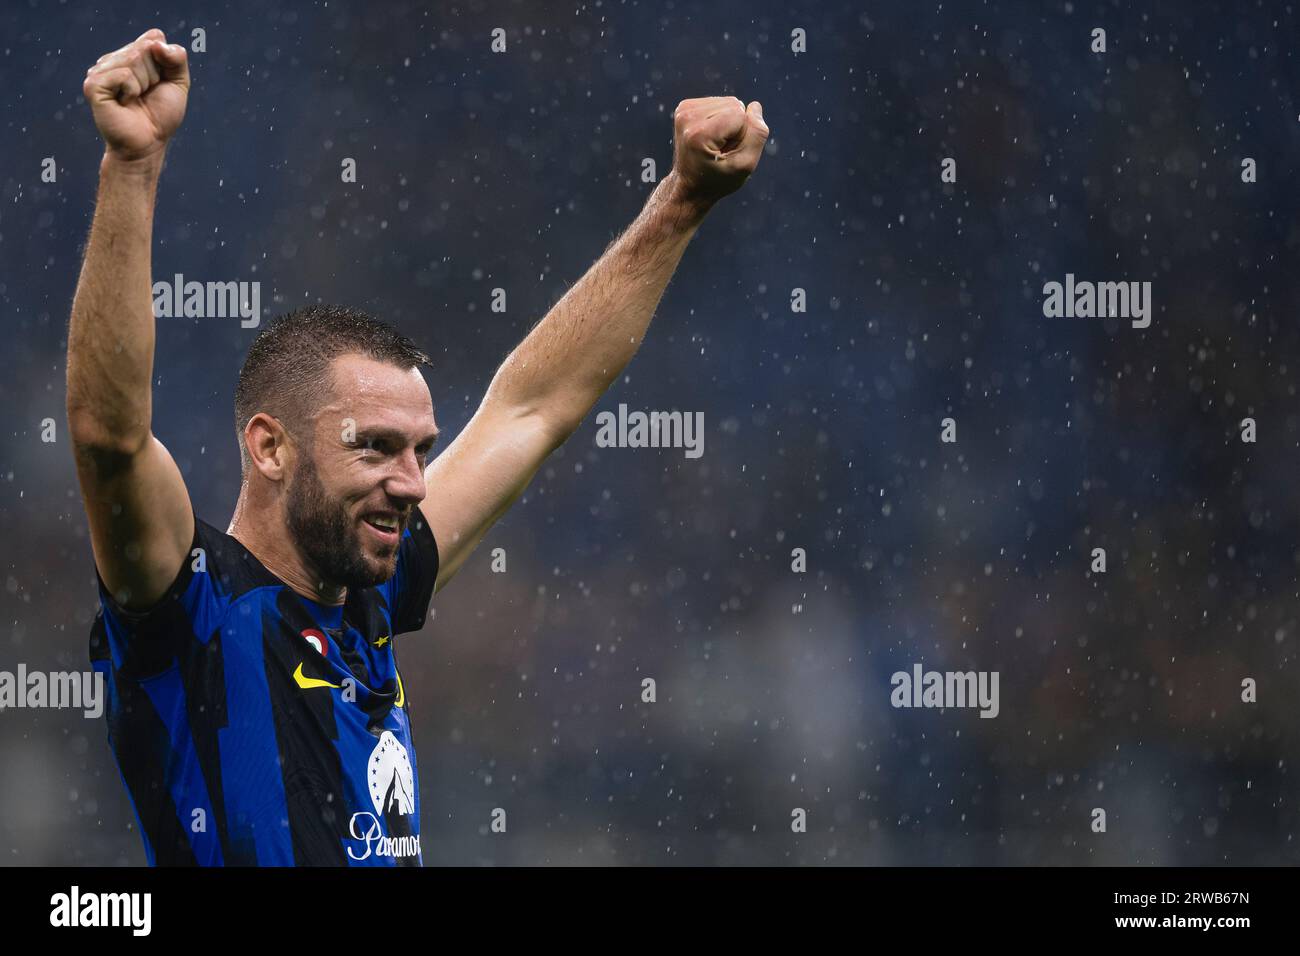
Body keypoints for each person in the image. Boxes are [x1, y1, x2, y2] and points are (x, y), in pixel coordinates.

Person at [67, 28, 768, 865]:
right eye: (375, 448)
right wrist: (133, 168)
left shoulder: (373, 591)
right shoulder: (191, 607)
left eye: (420, 450)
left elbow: (531, 409)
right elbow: (110, 437)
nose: (412, 482)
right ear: (269, 447)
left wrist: (682, 202)